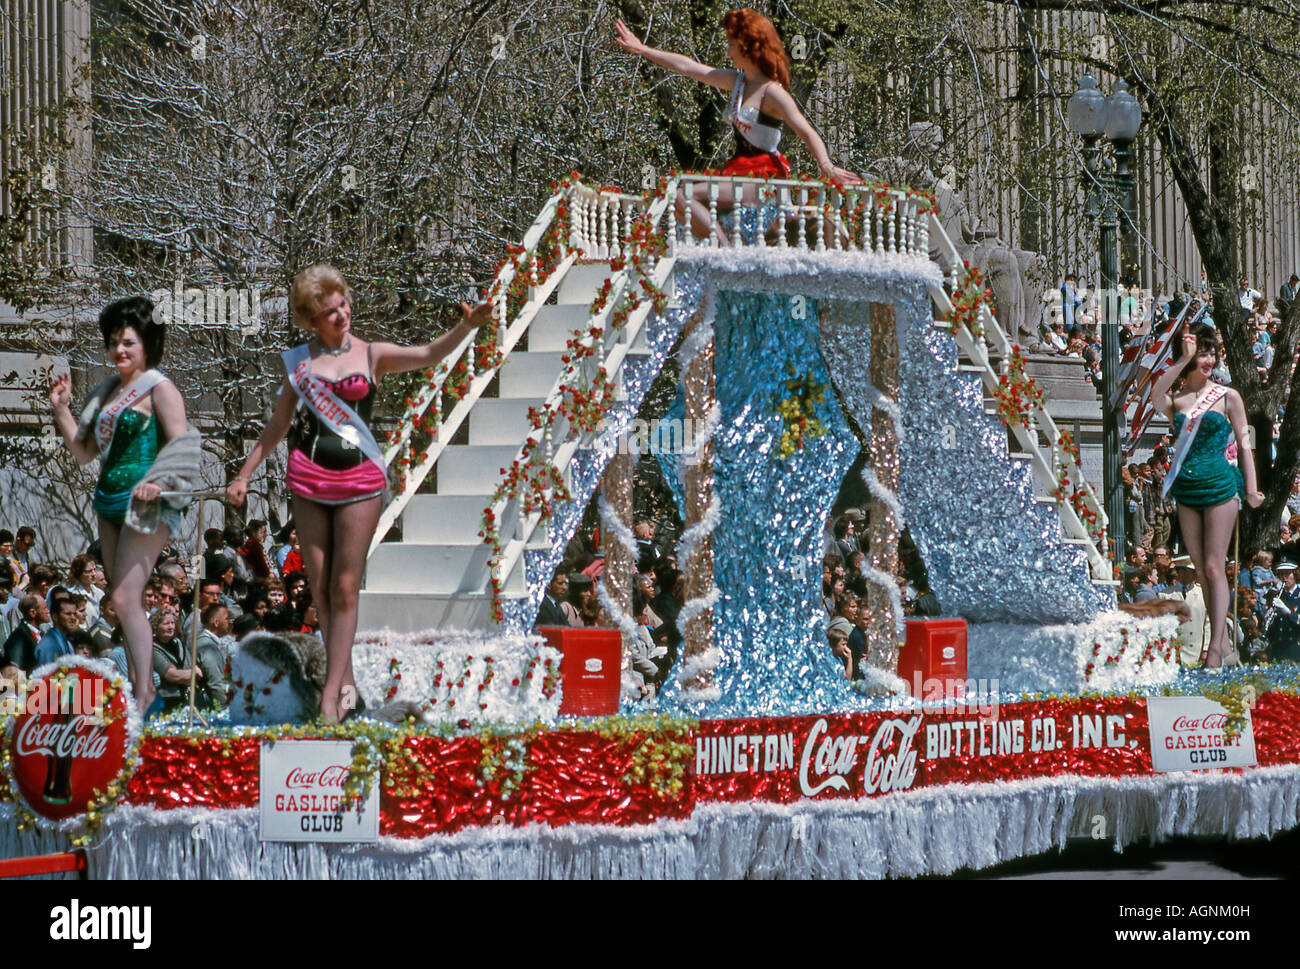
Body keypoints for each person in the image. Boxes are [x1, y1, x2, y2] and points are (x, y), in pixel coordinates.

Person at [226, 264, 491, 723]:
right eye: (330, 311)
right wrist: (244, 473)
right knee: (322, 590)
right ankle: (345, 686)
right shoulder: (299, 365)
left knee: (346, 586)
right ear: (311, 319)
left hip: (360, 480)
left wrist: (465, 327)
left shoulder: (372, 354)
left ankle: (331, 696)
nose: (343, 314)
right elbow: (278, 426)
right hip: (308, 477)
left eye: (344, 303)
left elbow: (429, 353)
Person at [48, 296, 197, 714]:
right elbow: (83, 452)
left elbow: (182, 446)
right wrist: (61, 409)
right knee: (120, 598)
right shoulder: (107, 390)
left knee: (129, 598)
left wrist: (157, 480)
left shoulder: (161, 387)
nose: (120, 350)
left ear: (147, 343)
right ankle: (136, 688)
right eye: (113, 342)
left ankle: (145, 691)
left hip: (147, 504)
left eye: (128, 342)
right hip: (107, 502)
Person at [614, 10, 862, 244]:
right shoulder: (738, 82)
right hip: (739, 174)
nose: (728, 50)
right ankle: (723, 249)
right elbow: (688, 67)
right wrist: (643, 49)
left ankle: (725, 253)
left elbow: (806, 131)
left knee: (684, 195)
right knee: (681, 200)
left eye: (732, 43)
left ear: (748, 46)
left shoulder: (773, 93)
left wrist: (827, 166)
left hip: (764, 178)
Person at [1151, 321, 1265, 669]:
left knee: (1215, 566)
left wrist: (1250, 488)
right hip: (1187, 490)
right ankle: (1226, 645)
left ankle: (1214, 650)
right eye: (1202, 354)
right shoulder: (1177, 400)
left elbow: (1245, 445)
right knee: (1201, 571)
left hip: (1219, 487)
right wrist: (1181, 357)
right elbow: (1155, 395)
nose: (1209, 360)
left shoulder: (1228, 396)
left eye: (1212, 353)